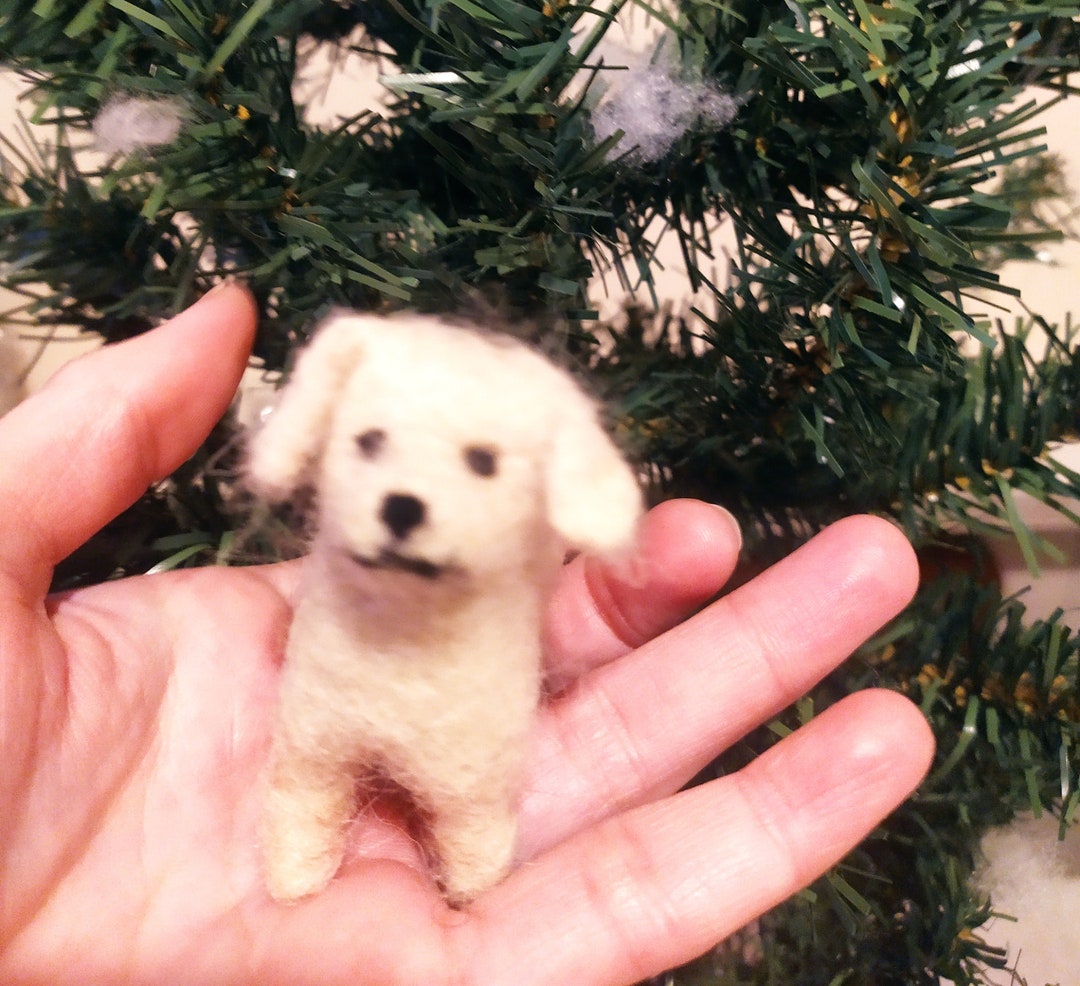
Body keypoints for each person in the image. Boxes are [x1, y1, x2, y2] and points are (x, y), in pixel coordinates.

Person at [0, 284, 934, 985]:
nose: (407, 492)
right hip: (333, 682)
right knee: (311, 777)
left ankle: (466, 839)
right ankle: (333, 820)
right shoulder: (358, 381)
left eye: (481, 462)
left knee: (472, 807)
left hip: (467, 706)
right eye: (372, 444)